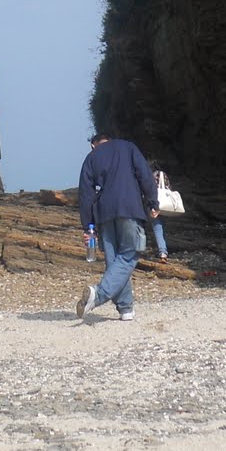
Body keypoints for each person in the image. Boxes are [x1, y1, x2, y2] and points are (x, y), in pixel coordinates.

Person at [75, 131, 159, 322]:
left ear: (93, 144)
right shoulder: (128, 147)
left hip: (104, 214)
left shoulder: (91, 158)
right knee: (129, 254)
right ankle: (99, 294)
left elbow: (85, 195)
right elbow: (144, 175)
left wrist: (89, 227)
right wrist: (153, 202)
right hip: (130, 208)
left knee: (115, 263)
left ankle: (125, 308)